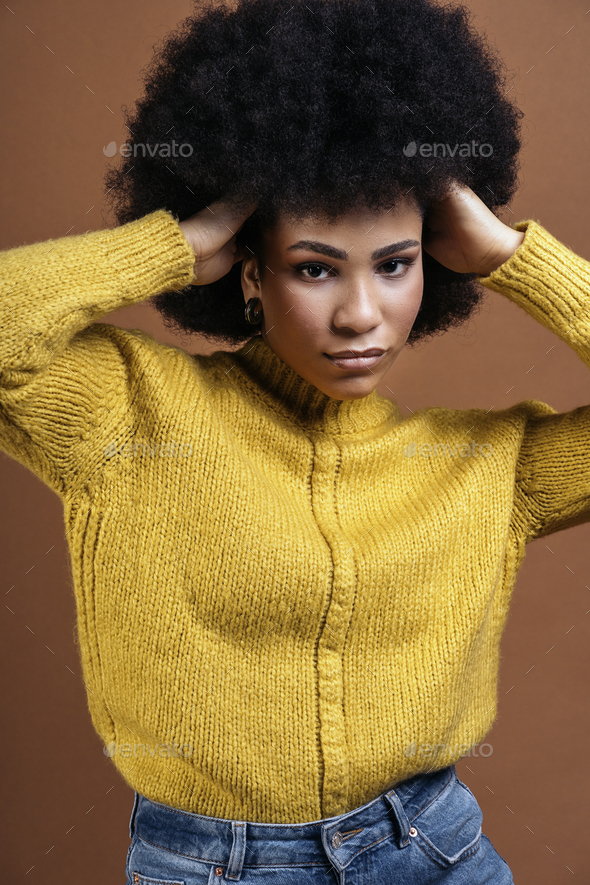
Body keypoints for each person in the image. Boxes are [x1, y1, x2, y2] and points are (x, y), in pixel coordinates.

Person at [1, 0, 588, 882]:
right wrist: (170, 244)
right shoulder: (124, 415)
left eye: (395, 263)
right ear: (248, 270)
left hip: (432, 848)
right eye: (315, 267)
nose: (361, 314)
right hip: (211, 865)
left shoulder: (492, 469)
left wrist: (510, 253)